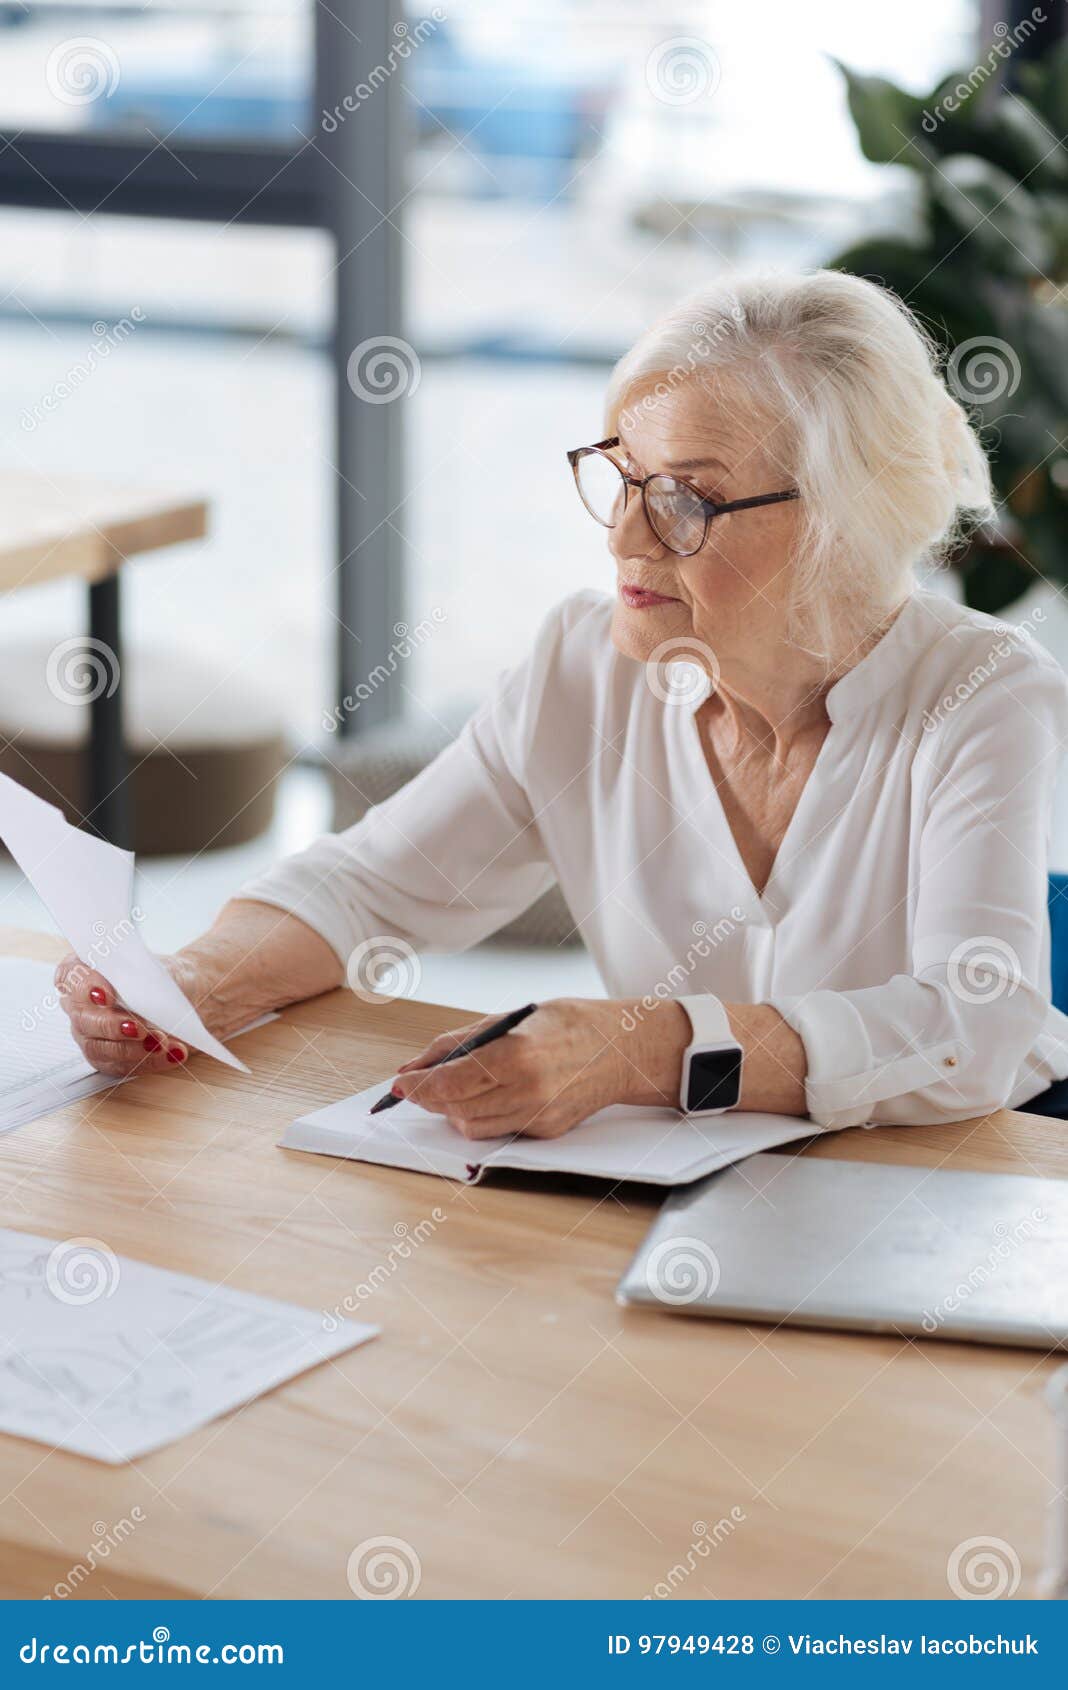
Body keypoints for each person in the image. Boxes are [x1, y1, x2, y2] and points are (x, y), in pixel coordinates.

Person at [57, 269, 1068, 1134]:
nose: (626, 536)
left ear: (838, 525)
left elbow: (975, 1029)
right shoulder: (583, 666)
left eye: (682, 498)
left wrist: (643, 1047)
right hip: (690, 1188)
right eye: (620, 476)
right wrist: (196, 983)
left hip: (959, 1186)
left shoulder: (982, 693)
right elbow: (366, 887)